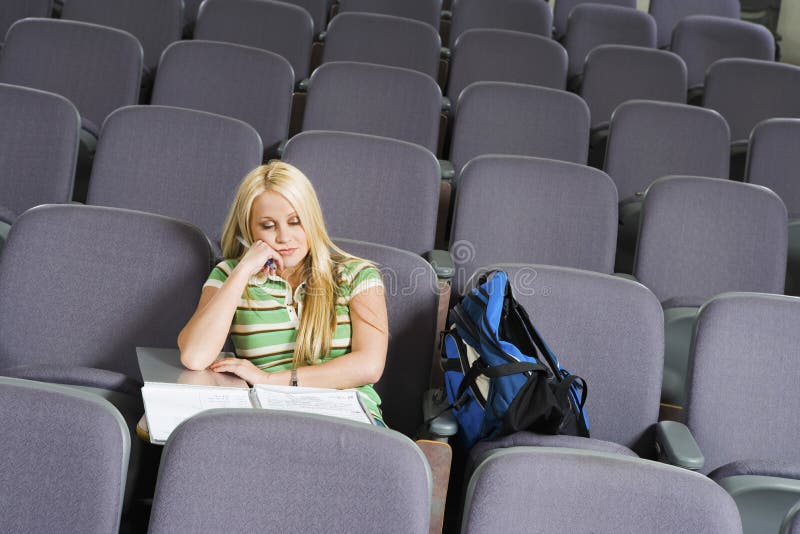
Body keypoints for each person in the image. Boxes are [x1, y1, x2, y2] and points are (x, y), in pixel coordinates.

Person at [178, 161, 388, 422]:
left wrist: (270, 379)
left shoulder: (358, 275)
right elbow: (195, 356)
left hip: (349, 420)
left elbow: (369, 366)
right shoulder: (230, 274)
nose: (284, 237)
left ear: (312, 220)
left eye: (295, 222)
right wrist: (243, 271)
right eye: (268, 225)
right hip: (271, 420)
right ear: (248, 229)